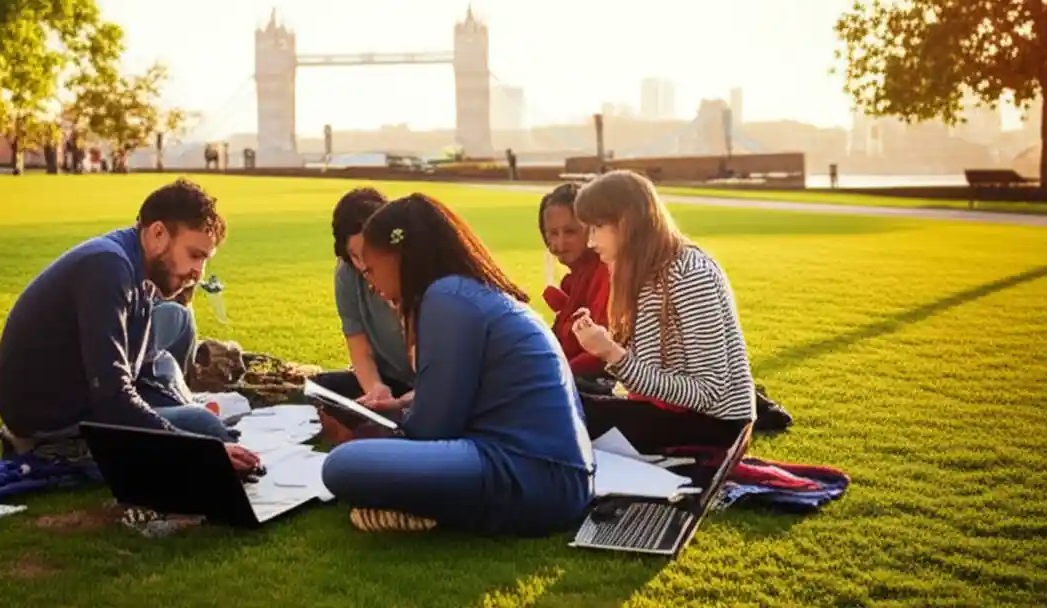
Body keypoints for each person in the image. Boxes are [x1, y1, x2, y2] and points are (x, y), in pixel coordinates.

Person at [321, 194, 594, 536]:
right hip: (550, 471)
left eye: (372, 269)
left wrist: (390, 423)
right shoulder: (464, 292)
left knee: (343, 465)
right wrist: (401, 408)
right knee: (364, 449)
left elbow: (434, 429)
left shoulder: (446, 299)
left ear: (398, 256)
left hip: (531, 473)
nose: (372, 284)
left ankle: (431, 509)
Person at [0, 178, 259, 472]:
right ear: (158, 233)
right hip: (52, 420)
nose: (199, 272)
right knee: (203, 425)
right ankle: (60, 450)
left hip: (88, 397)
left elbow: (138, 370)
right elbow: (113, 396)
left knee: (176, 364)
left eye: (205, 260)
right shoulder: (107, 268)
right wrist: (199, 449)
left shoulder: (133, 264)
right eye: (194, 255)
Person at [568, 170, 756, 441]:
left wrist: (612, 353)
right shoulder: (641, 272)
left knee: (572, 418)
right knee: (565, 401)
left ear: (626, 223)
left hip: (715, 425)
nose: (591, 242)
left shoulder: (690, 274)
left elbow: (707, 392)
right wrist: (607, 346)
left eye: (597, 228)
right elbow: (647, 375)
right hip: (665, 411)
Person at [312, 188, 415, 406]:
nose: (364, 265)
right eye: (355, 256)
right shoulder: (347, 274)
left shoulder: (416, 274)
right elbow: (359, 348)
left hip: (435, 384)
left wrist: (405, 403)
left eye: (369, 253)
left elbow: (446, 374)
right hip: (392, 380)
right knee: (318, 388)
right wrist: (376, 390)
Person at [538, 183, 611, 381]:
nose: (560, 244)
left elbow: (600, 353)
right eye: (553, 234)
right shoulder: (575, 279)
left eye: (570, 232)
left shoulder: (606, 273)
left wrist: (556, 375)